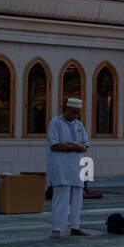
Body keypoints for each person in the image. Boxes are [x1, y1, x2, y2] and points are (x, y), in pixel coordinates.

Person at [47, 97, 91, 237]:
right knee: (61, 198)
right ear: (66, 109)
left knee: (77, 198)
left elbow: (86, 145)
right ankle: (57, 229)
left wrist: (77, 147)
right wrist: (73, 146)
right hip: (61, 167)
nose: (76, 115)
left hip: (76, 166)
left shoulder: (79, 125)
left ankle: (75, 226)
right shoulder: (55, 122)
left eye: (78, 113)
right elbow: (54, 145)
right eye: (73, 112)